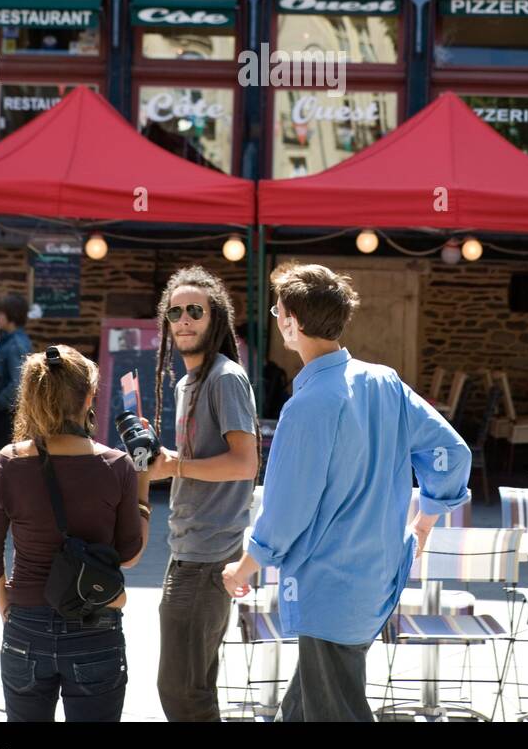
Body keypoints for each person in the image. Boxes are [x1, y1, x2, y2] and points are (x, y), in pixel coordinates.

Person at [222, 262, 472, 723]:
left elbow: (287, 508)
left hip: (330, 585)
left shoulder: (309, 405)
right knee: (306, 707)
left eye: (279, 311)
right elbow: (451, 453)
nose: (277, 319)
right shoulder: (385, 382)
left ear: (292, 323)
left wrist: (245, 565)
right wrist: (425, 521)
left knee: (333, 708)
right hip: (373, 579)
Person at [0, 344, 148, 723]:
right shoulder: (116, 465)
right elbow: (130, 554)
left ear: (31, 399)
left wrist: (9, 608)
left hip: (26, 627)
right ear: (88, 398)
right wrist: (144, 478)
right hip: (95, 624)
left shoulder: (8, 461)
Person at [143, 265, 259, 722]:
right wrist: (167, 459)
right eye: (175, 313)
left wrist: (178, 466)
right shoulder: (187, 382)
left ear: (216, 319)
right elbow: (199, 458)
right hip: (188, 547)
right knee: (191, 686)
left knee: (182, 691)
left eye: (196, 310)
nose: (185, 319)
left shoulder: (224, 378)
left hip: (208, 554)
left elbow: (245, 463)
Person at [0, 293, 32, 461]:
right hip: (4, 410)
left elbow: (17, 383)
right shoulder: (7, 339)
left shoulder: (16, 345)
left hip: (6, 412)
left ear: (9, 316)